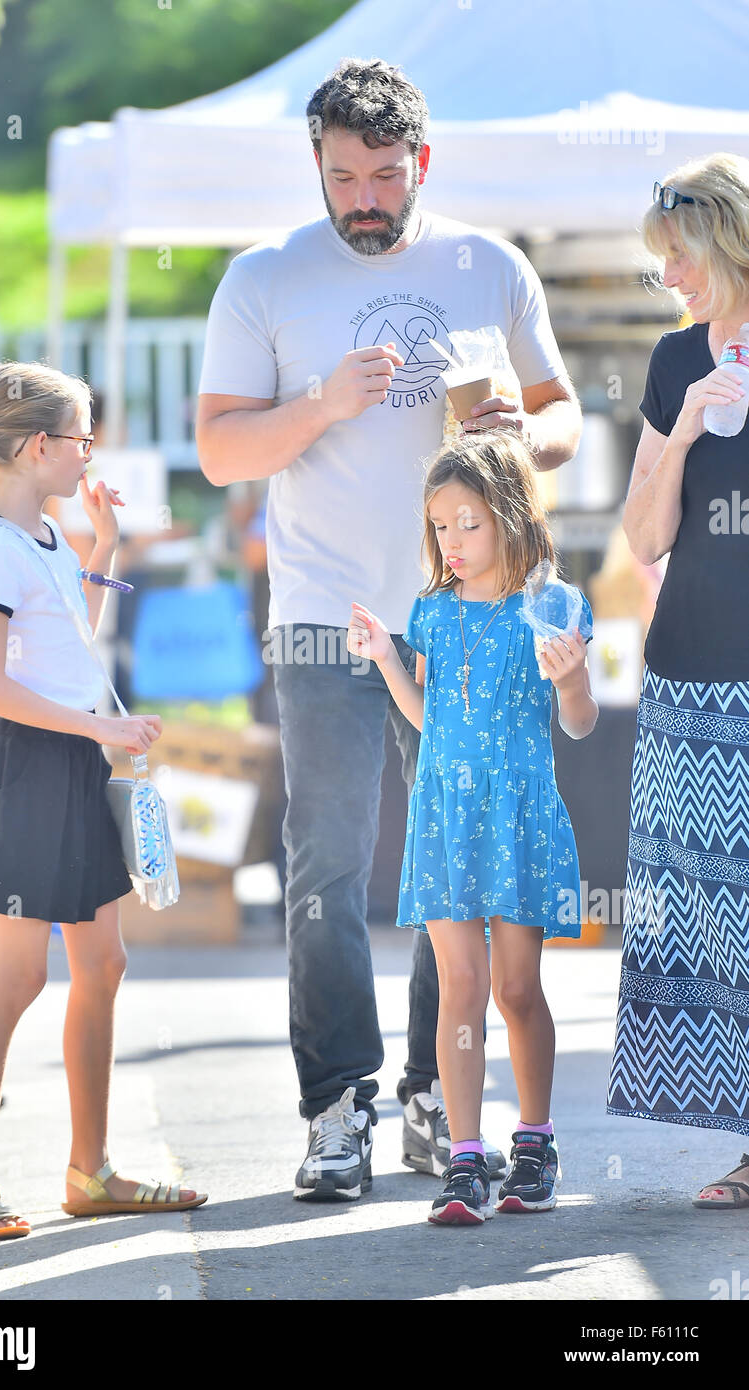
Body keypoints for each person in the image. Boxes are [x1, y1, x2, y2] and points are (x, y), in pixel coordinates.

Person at [196, 57, 582, 1199]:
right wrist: (319, 403)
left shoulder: (489, 264)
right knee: (325, 867)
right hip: (325, 619)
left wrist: (528, 433)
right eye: (339, 175)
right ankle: (334, 1105)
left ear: (423, 161)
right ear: (314, 167)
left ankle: (430, 1093)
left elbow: (558, 418)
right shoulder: (263, 277)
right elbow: (220, 451)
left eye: (381, 174)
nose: (361, 196)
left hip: (463, 622)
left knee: (449, 865)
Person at [0, 361, 207, 1239]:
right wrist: (102, 733)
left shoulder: (41, 536)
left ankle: (91, 1171)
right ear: (42, 447)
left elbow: (68, 640)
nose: (92, 450)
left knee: (104, 965)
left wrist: (104, 546)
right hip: (27, 769)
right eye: (84, 437)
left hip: (73, 760)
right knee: (18, 976)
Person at [348, 431, 597, 1223]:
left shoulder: (554, 607)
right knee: (459, 986)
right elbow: (432, 721)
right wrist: (387, 658)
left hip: (517, 811)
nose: (451, 541)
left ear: (510, 516)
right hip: (444, 815)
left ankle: (533, 1142)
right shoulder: (430, 612)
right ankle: (462, 1158)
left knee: (517, 989)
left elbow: (581, 724)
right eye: (439, 526)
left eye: (468, 522)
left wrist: (573, 680)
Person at [607, 153, 749, 1209]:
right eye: (660, 268)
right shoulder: (669, 362)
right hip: (689, 675)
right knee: (707, 920)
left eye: (679, 260)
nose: (673, 282)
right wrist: (687, 428)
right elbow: (641, 535)